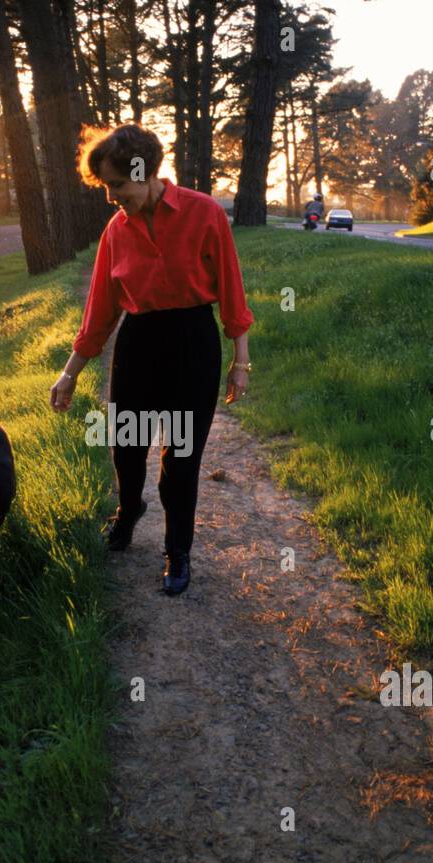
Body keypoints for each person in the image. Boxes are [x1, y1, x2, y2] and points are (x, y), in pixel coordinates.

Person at [49, 123, 254, 596]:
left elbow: (231, 290)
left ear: (142, 172)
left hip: (192, 343)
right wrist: (69, 374)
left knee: (180, 457)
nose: (110, 197)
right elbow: (99, 312)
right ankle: (127, 512)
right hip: (138, 344)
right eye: (105, 186)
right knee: (127, 446)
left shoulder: (204, 214)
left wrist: (240, 360)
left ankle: (177, 550)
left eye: (116, 185)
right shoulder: (116, 232)